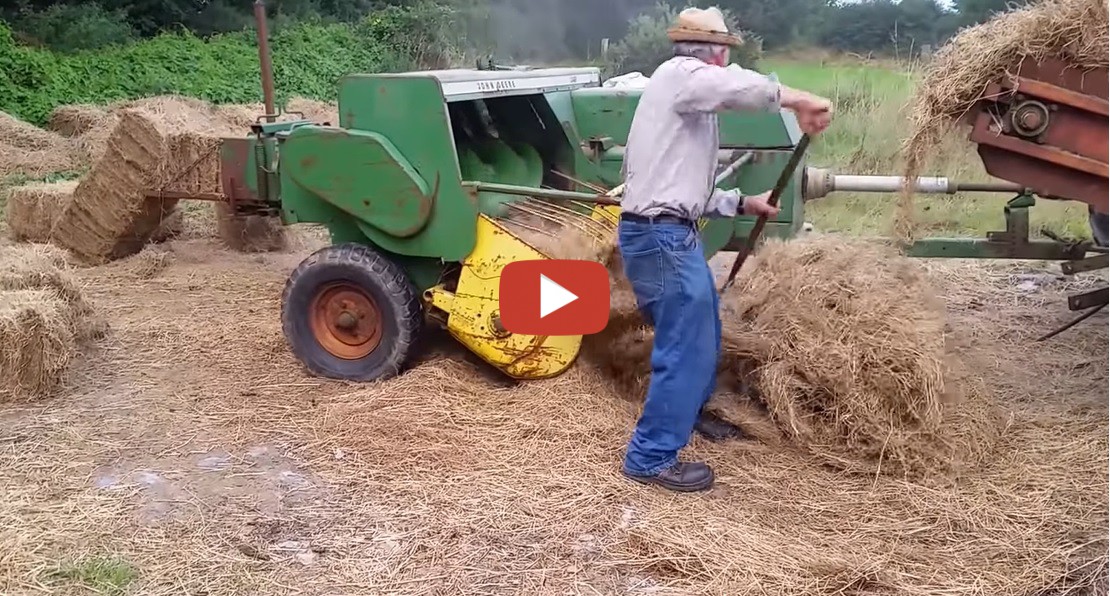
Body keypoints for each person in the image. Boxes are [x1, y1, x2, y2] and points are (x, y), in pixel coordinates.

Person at [616, 6, 833, 492]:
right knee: (686, 345)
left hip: (669, 232)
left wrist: (740, 202)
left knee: (704, 333)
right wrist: (797, 99)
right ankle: (650, 457)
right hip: (660, 237)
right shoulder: (682, 76)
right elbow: (734, 87)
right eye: (725, 52)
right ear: (715, 53)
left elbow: (678, 182)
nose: (725, 61)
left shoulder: (683, 93)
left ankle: (687, 413)